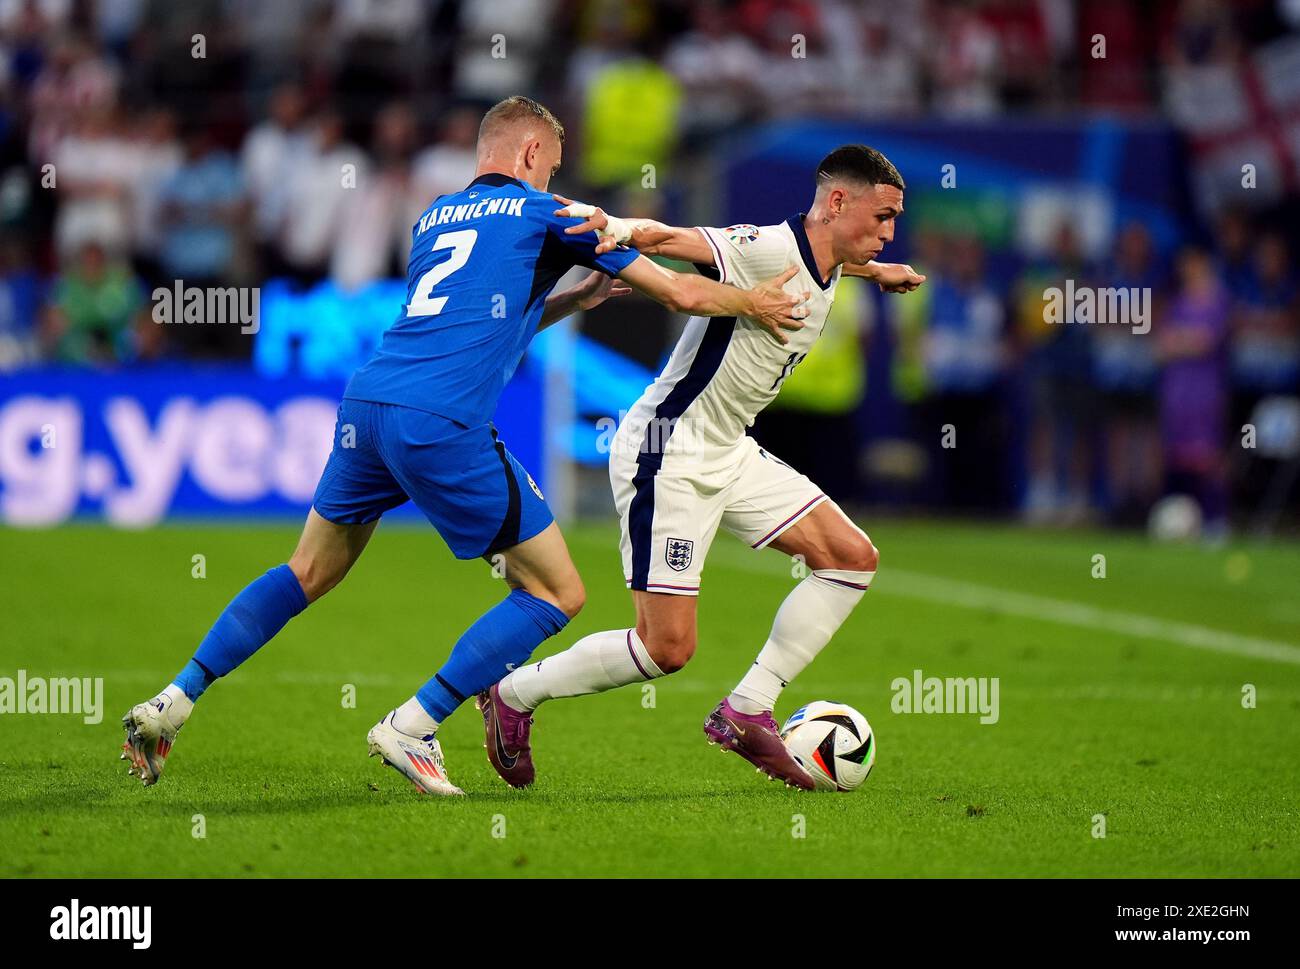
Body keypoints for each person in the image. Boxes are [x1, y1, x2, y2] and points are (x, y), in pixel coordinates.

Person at [120, 96, 810, 795]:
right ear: (534, 155)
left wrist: (573, 300)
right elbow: (678, 293)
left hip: (369, 405)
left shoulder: (434, 218)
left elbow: (477, 322)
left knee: (307, 571)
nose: (552, 178)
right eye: (553, 166)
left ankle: (171, 702)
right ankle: (414, 724)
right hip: (440, 420)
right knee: (556, 590)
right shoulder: (551, 213)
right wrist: (755, 303)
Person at [482, 145, 924, 790]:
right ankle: (514, 693)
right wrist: (621, 228)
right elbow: (673, 238)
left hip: (730, 449)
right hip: (670, 452)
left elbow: (817, 264)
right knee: (667, 650)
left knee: (850, 557)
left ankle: (746, 709)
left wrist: (874, 271)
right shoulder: (765, 247)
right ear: (836, 202)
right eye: (882, 217)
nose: (890, 232)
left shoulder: (824, 259)